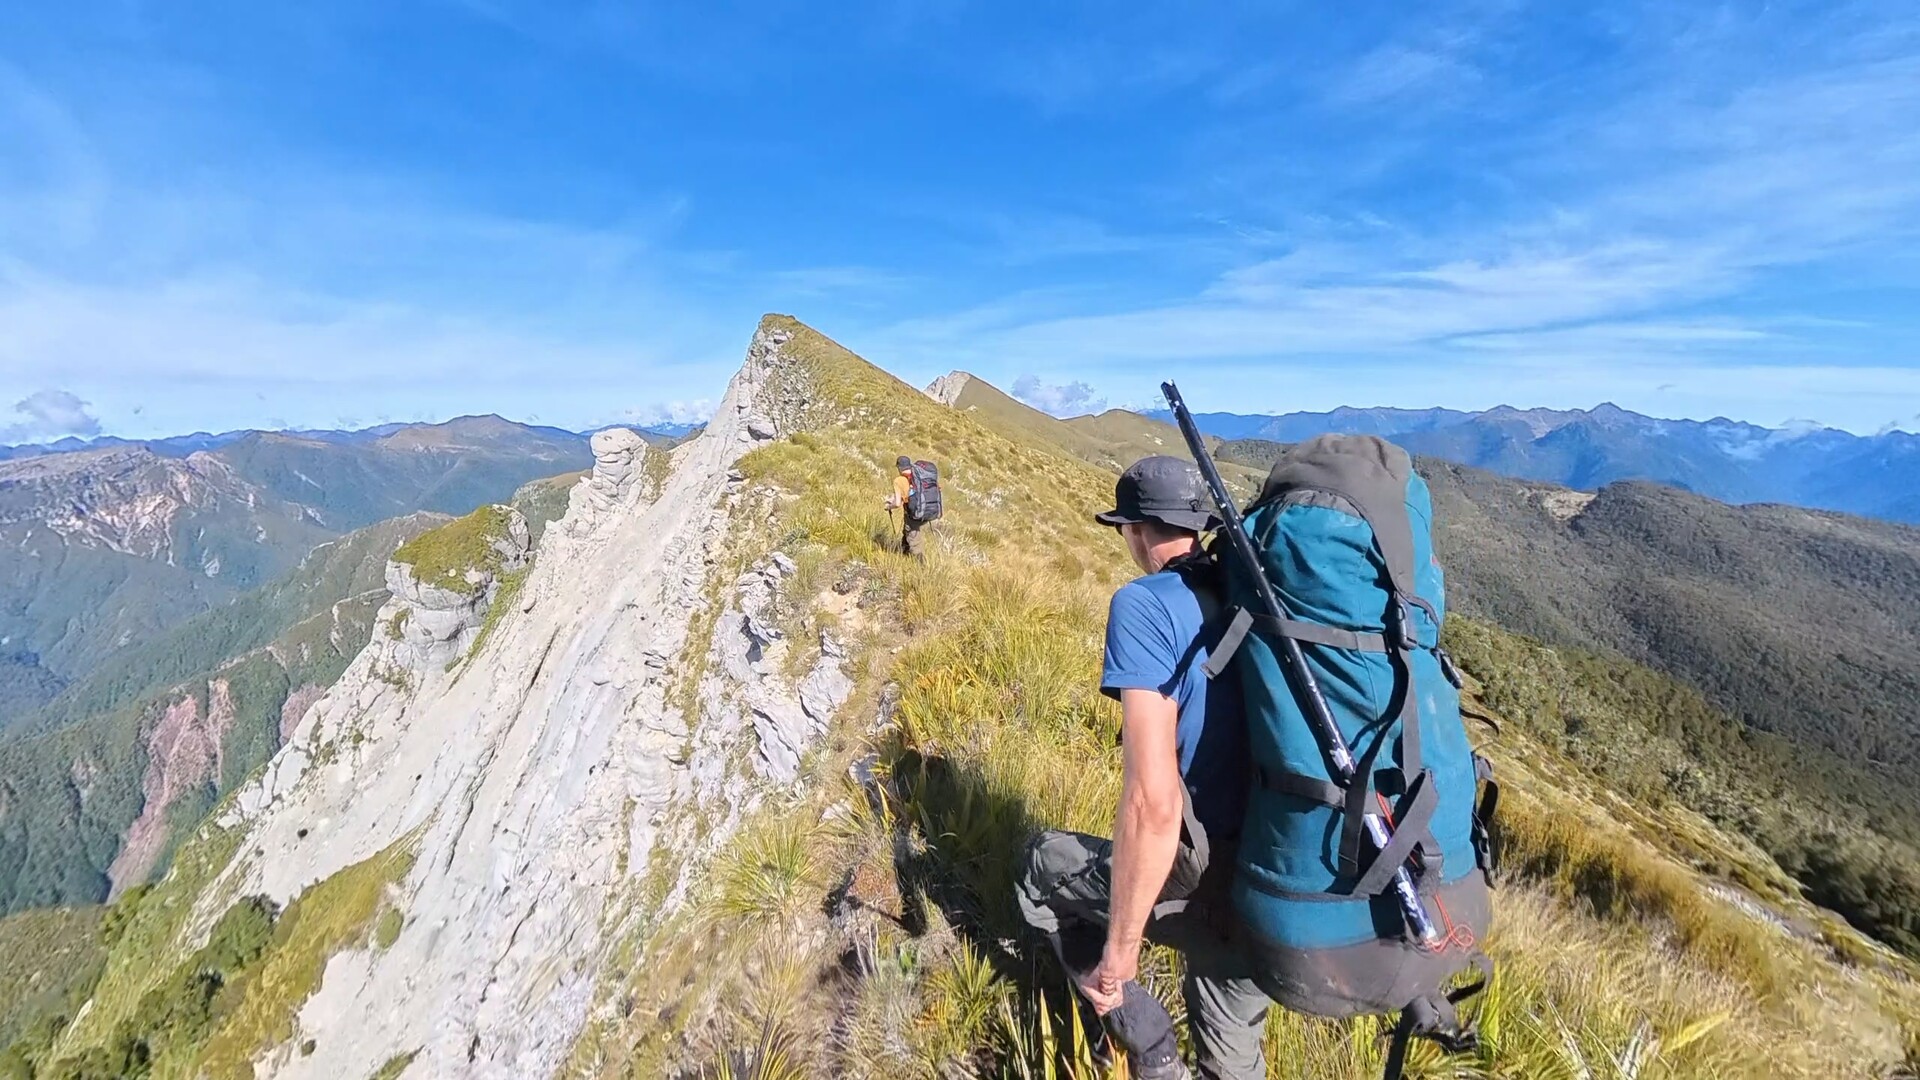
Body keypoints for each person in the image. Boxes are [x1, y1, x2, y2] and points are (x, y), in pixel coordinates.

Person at [1015, 456, 1272, 1080]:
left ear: (1135, 530)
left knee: (1039, 867)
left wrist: (1121, 954)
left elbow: (1152, 804)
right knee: (1233, 1050)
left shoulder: (1145, 606)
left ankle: (1142, 1039)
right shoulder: (1257, 597)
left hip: (1198, 864)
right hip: (1278, 859)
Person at [885, 454, 929, 558]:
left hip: (913, 513)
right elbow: (908, 494)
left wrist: (888, 506)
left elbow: (897, 504)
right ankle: (904, 556)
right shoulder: (918, 476)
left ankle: (921, 568)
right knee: (907, 531)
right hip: (926, 509)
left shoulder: (899, 480)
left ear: (899, 467)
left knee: (914, 542)